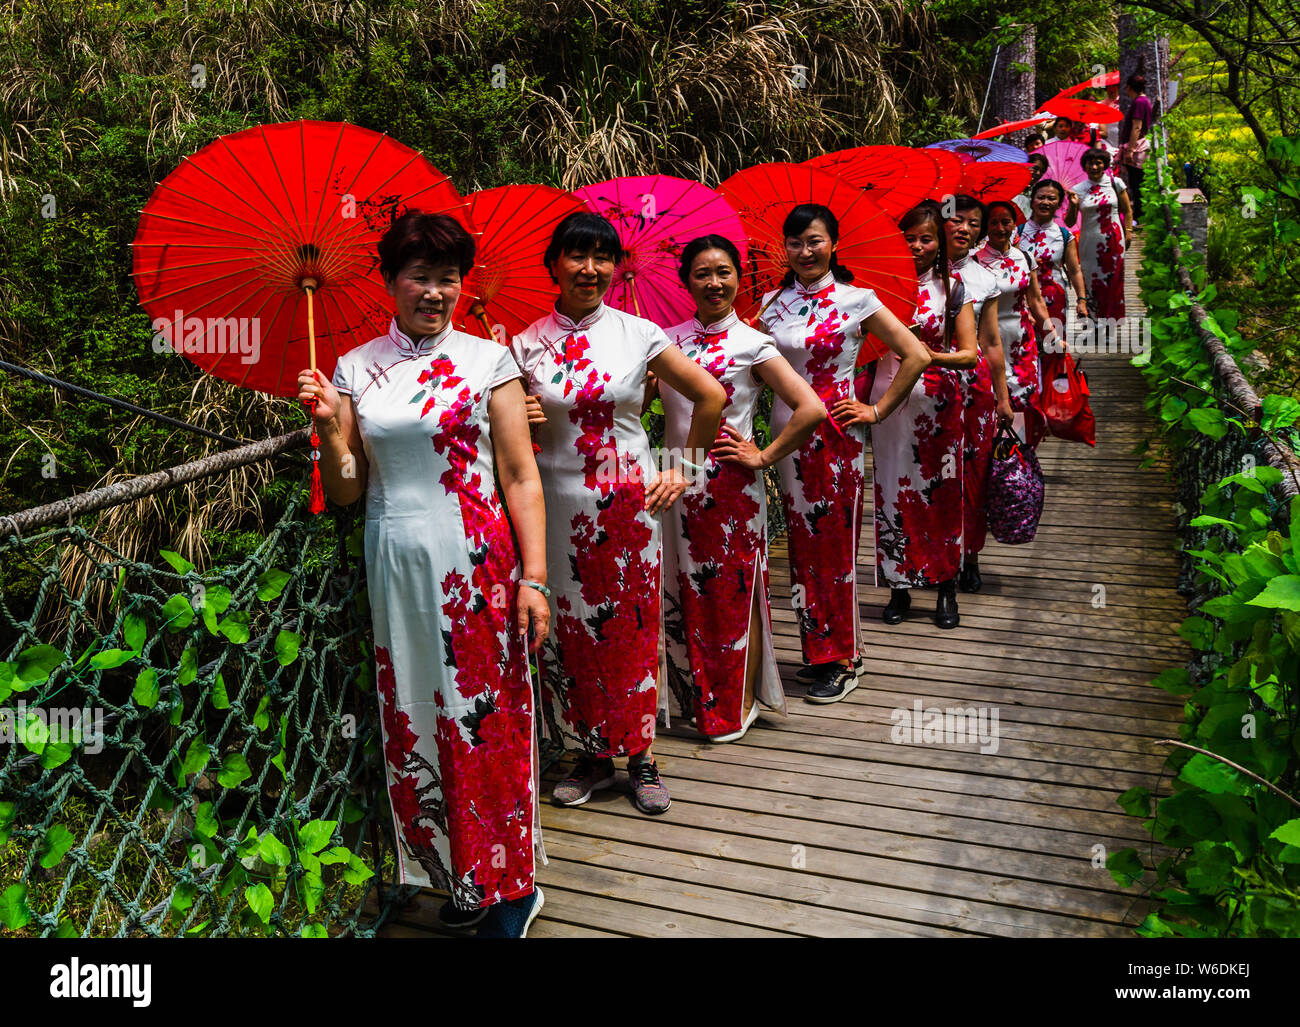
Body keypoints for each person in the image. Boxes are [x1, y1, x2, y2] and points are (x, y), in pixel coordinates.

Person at [301, 210, 551, 938]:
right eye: (421, 276)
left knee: (486, 717)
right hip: (394, 561)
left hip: (473, 557)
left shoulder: (488, 360)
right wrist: (325, 426)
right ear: (391, 281)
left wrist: (533, 576)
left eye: (448, 278)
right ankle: (456, 872)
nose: (435, 292)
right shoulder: (353, 366)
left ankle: (511, 883)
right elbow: (347, 487)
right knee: (415, 712)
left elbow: (518, 472)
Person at [511, 211, 725, 814]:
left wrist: (683, 467)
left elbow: (710, 396)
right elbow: (500, 436)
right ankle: (589, 753)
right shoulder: (523, 345)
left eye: (602, 257)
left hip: (627, 506)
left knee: (632, 625)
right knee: (573, 630)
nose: (590, 268)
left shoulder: (640, 334)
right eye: (577, 256)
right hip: (554, 508)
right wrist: (520, 419)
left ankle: (642, 754)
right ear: (553, 264)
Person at [759, 204, 929, 700]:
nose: (805, 251)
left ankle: (845, 657)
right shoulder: (772, 305)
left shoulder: (857, 299)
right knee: (804, 547)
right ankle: (820, 650)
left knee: (835, 548)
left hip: (835, 438)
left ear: (833, 244)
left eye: (814, 241)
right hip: (786, 440)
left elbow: (915, 353)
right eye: (794, 242)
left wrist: (876, 412)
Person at [659, 235, 826, 739]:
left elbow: (811, 408)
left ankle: (736, 703)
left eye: (724, 272)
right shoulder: (663, 341)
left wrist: (764, 456)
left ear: (738, 278)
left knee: (735, 592)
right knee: (683, 588)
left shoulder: (752, 343)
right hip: (674, 480)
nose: (714, 283)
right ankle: (691, 696)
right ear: (686, 279)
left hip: (732, 485)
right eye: (702, 273)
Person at [872, 200, 978, 628]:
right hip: (887, 404)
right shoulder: (875, 288)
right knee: (891, 492)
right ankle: (899, 586)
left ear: (941, 243)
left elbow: (969, 355)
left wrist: (923, 353)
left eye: (926, 238)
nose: (917, 245)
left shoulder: (952, 289)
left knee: (940, 495)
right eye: (909, 237)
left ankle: (945, 585)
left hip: (937, 405)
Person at [943, 196, 1013, 595]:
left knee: (973, 476)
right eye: (955, 219)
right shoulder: (915, 275)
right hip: (929, 390)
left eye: (974, 223)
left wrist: (1003, 398)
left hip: (975, 390)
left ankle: (970, 557)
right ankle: (934, 558)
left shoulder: (984, 278)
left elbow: (991, 341)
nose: (964, 228)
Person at [975, 200, 1054, 448]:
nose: (1000, 228)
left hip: (1022, 340)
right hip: (988, 340)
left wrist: (1053, 333)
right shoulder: (974, 262)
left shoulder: (1025, 257)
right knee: (995, 398)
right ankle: (995, 456)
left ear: (1014, 224)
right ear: (985, 227)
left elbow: (1036, 301)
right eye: (994, 222)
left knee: (1024, 397)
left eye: (1005, 222)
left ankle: (1018, 455)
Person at [1015, 179, 1088, 334]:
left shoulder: (1064, 235)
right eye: (1041, 197)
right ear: (1032, 200)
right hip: (1022, 299)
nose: (1045, 202)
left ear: (1059, 203)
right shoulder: (1016, 233)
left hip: (1054, 297)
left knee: (1053, 346)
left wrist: (1081, 300)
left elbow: (1075, 271)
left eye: (1051, 198)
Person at [1066, 148, 1131, 321]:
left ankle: (1109, 324)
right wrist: (1073, 205)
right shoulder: (1077, 190)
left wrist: (1129, 231)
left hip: (1114, 240)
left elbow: (1127, 210)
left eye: (1098, 163)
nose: (1094, 167)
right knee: (1091, 282)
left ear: (1105, 165)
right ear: (1084, 166)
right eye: (1090, 163)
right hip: (1089, 243)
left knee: (1113, 283)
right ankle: (1092, 324)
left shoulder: (1115, 183)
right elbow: (1069, 223)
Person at [1117, 73, 1154, 223]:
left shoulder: (1139, 102)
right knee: (1137, 182)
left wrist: (1130, 150)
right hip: (1138, 145)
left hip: (1137, 147)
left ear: (1130, 88)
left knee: (1136, 182)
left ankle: (1139, 216)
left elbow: (1137, 127)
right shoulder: (1144, 101)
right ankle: (1141, 214)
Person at [1013, 152, 1050, 219]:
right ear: (1025, 166)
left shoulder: (1036, 195)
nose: (1038, 173)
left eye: (1042, 171)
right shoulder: (1009, 185)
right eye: (1035, 168)